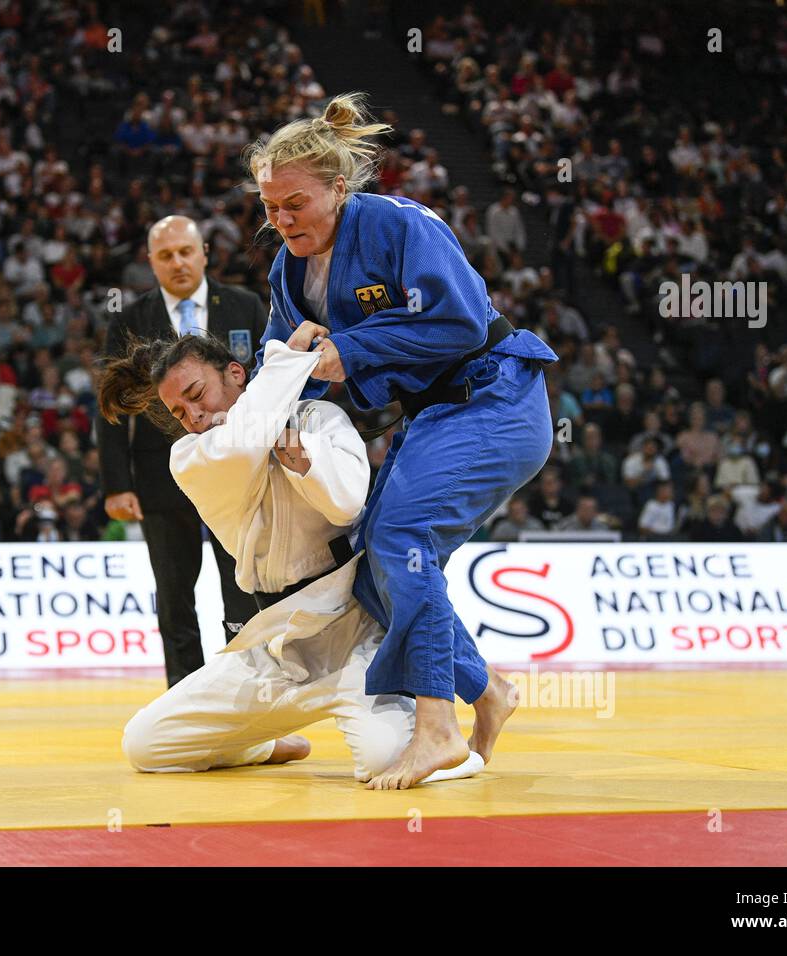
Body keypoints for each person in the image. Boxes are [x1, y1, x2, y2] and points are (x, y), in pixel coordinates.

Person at [248, 91, 556, 788]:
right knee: (373, 570)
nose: (281, 219)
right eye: (269, 206)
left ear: (338, 186)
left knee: (401, 544)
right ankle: (487, 691)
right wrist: (263, 419)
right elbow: (284, 361)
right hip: (437, 414)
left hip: (494, 397)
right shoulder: (287, 271)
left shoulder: (397, 224)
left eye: (295, 203)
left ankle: (438, 728)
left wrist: (346, 352)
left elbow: (462, 325)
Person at [99, 333, 505, 786]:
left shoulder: (318, 419)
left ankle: (459, 751)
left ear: (236, 374)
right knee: (146, 743)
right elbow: (241, 442)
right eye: (179, 413)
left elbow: (350, 506)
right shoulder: (190, 455)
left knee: (382, 762)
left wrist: (306, 464)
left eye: (196, 395)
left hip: (354, 640)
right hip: (274, 650)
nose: (193, 417)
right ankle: (264, 744)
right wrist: (285, 357)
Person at [97, 215, 264, 687]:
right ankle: (188, 697)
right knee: (174, 596)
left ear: (204, 253)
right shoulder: (130, 319)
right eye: (166, 255)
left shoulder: (245, 304)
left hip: (235, 474)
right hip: (160, 479)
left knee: (242, 587)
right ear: (151, 262)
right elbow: (110, 406)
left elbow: (267, 382)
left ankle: (251, 692)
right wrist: (116, 484)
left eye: (185, 252)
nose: (178, 263)